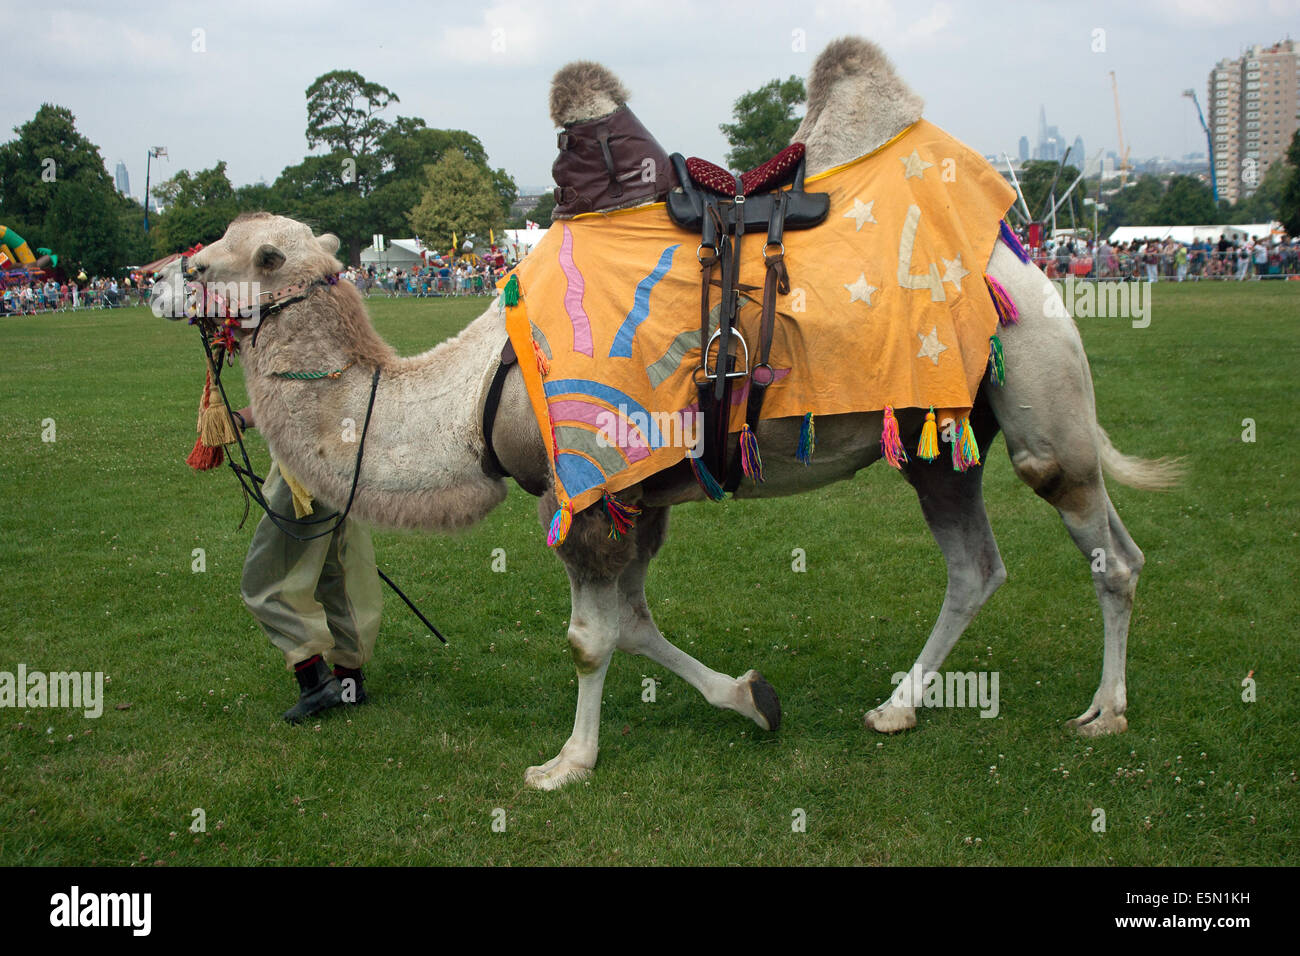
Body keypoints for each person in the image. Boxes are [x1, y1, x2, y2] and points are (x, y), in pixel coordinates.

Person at [233, 405, 384, 723]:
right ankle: (348, 683)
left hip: (309, 465)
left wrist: (240, 418)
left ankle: (315, 684)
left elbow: (293, 395)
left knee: (266, 582)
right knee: (337, 573)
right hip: (342, 460)